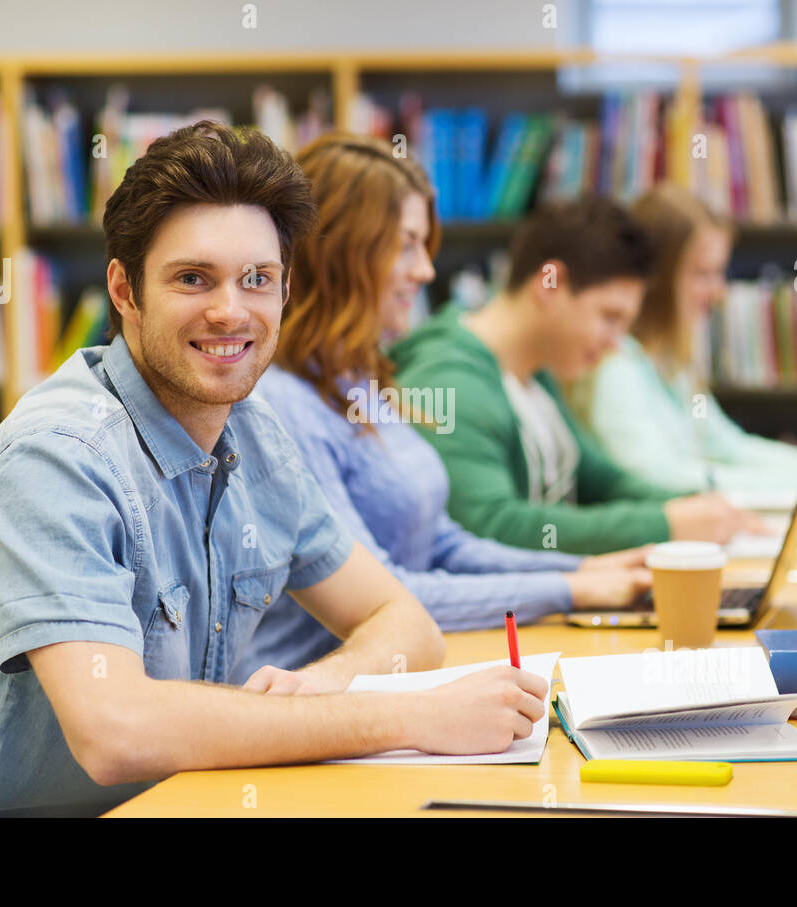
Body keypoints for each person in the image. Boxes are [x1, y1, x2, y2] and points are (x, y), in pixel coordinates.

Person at [0, 123, 547, 818]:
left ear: (286, 289)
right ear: (124, 289)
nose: (230, 310)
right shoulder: (59, 455)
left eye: (257, 279)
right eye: (192, 278)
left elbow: (404, 621)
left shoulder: (256, 434)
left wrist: (325, 686)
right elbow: (112, 730)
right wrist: (406, 717)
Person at [234, 136, 652, 681]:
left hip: (387, 683)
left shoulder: (357, 379)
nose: (426, 271)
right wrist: (568, 589)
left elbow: (443, 544)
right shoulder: (283, 403)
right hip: (306, 700)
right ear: (345, 250)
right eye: (406, 245)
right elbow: (387, 593)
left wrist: (582, 568)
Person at [390, 195, 757, 557]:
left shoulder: (534, 374)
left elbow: (601, 481)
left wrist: (697, 507)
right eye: (609, 318)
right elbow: (490, 527)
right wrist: (665, 524)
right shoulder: (450, 381)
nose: (615, 344)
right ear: (550, 282)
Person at [574, 183, 797, 495]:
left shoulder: (669, 364)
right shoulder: (615, 365)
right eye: (703, 274)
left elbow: (728, 447)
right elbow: (657, 477)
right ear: (657, 280)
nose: (719, 293)